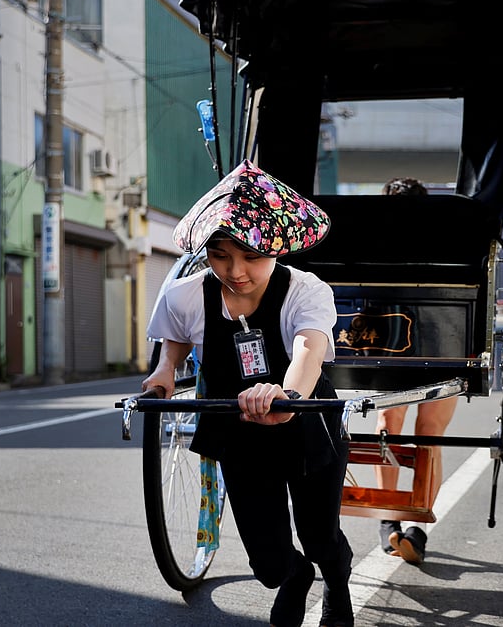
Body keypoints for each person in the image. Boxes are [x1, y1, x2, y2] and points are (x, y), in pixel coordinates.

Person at [142, 160, 354, 627]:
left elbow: (309, 349)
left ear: (276, 248)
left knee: (321, 538)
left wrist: (287, 397)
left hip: (305, 425)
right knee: (269, 562)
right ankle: (295, 577)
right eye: (220, 255)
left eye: (251, 256)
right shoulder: (184, 294)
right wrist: (163, 373)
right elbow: (174, 340)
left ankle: (337, 586)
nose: (235, 271)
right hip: (237, 432)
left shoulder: (307, 291)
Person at [374, 176, 458, 565]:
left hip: (391, 340)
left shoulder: (377, 240)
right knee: (429, 434)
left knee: (391, 426)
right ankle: (412, 527)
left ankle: (392, 519)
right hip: (444, 340)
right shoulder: (444, 239)